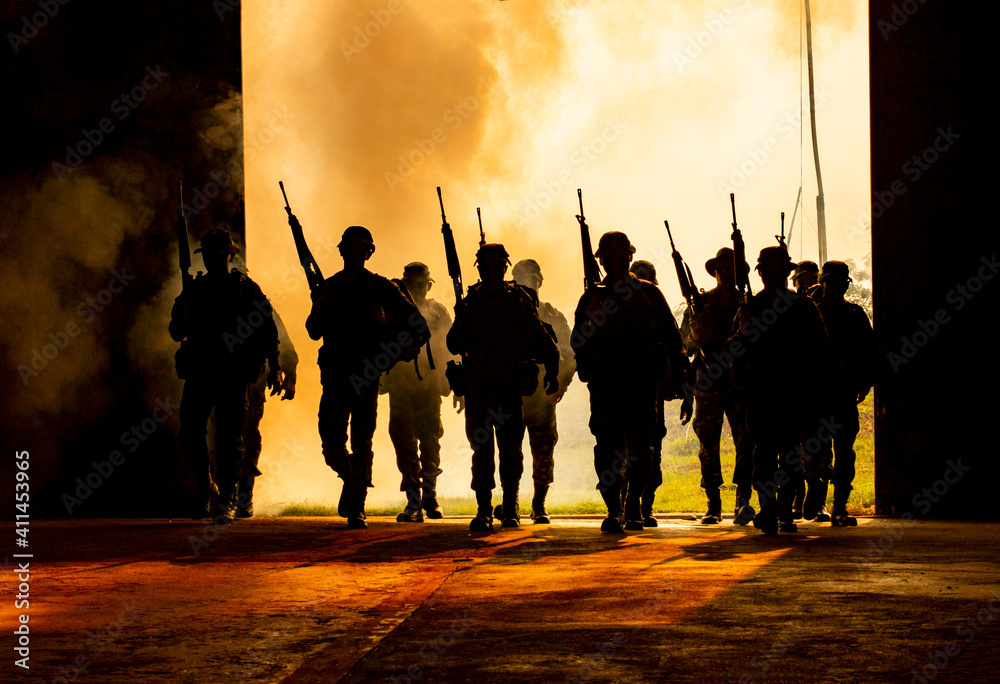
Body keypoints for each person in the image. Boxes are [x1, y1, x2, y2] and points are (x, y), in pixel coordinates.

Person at [306, 226, 426, 529]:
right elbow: (313, 331)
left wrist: (388, 342)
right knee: (331, 442)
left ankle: (358, 505)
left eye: (361, 249)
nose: (355, 253)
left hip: (366, 374)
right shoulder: (329, 287)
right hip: (335, 376)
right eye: (350, 248)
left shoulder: (383, 288)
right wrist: (317, 304)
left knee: (362, 441)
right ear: (342, 251)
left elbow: (418, 330)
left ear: (369, 253)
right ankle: (351, 479)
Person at [572, 232, 691, 534]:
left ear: (628, 258)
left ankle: (634, 505)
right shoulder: (592, 297)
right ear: (602, 261)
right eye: (610, 258)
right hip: (606, 384)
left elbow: (671, 338)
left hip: (640, 382)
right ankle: (614, 508)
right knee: (607, 449)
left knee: (641, 447)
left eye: (622, 257)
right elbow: (578, 341)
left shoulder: (649, 294)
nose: (616, 262)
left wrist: (683, 381)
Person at [169, 229, 282, 522]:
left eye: (218, 253)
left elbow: (268, 329)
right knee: (190, 431)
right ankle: (207, 486)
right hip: (202, 370)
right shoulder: (194, 290)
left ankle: (228, 499)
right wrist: (182, 313)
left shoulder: (246, 288)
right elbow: (176, 332)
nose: (212, 258)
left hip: (234, 372)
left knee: (230, 438)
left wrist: (276, 364)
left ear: (229, 255)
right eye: (208, 253)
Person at [446, 244, 560, 532]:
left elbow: (538, 334)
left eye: (497, 265)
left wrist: (553, 369)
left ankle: (510, 507)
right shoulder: (472, 301)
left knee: (511, 451)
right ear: (481, 269)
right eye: (486, 266)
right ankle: (484, 508)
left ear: (504, 267)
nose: (492, 270)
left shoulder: (519, 300)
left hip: (508, 386)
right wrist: (462, 314)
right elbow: (454, 344)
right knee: (481, 450)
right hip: (480, 387)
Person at [730, 247, 834, 535]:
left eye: (773, 270)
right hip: (764, 392)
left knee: (783, 454)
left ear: (785, 273)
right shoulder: (754, 307)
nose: (768, 275)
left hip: (790, 393)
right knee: (768, 454)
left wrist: (819, 395)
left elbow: (822, 353)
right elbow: (737, 348)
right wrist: (741, 377)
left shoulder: (800, 307)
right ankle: (771, 510)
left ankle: (782, 511)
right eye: (765, 270)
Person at [680, 248, 755, 526]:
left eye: (731, 268)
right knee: (708, 445)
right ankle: (713, 504)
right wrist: (696, 332)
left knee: (745, 443)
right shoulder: (700, 303)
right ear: (715, 272)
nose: (726, 273)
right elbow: (684, 346)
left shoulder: (749, 305)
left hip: (739, 383)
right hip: (709, 382)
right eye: (721, 268)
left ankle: (742, 501)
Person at [382, 262, 454, 523]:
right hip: (401, 382)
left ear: (428, 285)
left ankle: (430, 496)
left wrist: (455, 383)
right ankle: (414, 498)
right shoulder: (393, 310)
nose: (417, 288)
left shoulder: (437, 311)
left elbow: (449, 347)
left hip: (429, 385)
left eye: (421, 283)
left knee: (430, 440)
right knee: (404, 442)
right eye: (412, 284)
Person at [808, 261, 878, 526]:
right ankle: (821, 504)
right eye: (830, 283)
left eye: (839, 284)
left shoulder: (854, 315)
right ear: (821, 283)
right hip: (817, 397)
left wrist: (863, 385)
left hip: (844, 395)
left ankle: (839, 506)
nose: (834, 289)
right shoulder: (810, 314)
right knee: (818, 454)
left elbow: (869, 354)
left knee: (844, 453)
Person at [510, 259, 577, 524]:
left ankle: (539, 504)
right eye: (523, 278)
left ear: (540, 281)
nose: (528, 284)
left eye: (533, 279)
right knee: (509, 449)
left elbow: (571, 352)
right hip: (512, 391)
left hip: (542, 391)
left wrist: (562, 382)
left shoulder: (551, 315)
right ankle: (511, 500)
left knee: (543, 447)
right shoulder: (504, 311)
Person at [628, 259, 690, 527]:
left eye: (647, 276)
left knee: (650, 447)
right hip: (620, 387)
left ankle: (643, 504)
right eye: (638, 275)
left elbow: (675, 344)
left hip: (650, 387)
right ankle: (621, 506)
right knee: (618, 449)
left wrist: (684, 388)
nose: (643, 280)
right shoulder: (611, 298)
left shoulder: (655, 302)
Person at [238, 308, 297, 519]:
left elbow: (282, 342)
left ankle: (243, 494)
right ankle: (220, 491)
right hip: (219, 378)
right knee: (224, 436)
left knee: (247, 434)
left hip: (252, 378)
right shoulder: (207, 296)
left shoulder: (254, 300)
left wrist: (288, 375)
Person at [789, 260, 820, 520]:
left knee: (816, 448)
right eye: (802, 280)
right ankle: (796, 499)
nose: (807, 285)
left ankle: (815, 498)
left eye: (812, 279)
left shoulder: (817, 308)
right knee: (790, 451)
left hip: (814, 389)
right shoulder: (787, 306)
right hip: (787, 388)